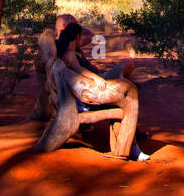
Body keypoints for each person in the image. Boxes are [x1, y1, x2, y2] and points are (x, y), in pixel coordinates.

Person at [55, 17, 149, 161]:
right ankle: (132, 149)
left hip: (83, 95)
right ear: (77, 37)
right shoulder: (69, 52)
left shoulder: (66, 49)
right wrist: (97, 78)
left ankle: (132, 147)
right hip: (87, 98)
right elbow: (78, 68)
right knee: (126, 98)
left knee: (126, 94)